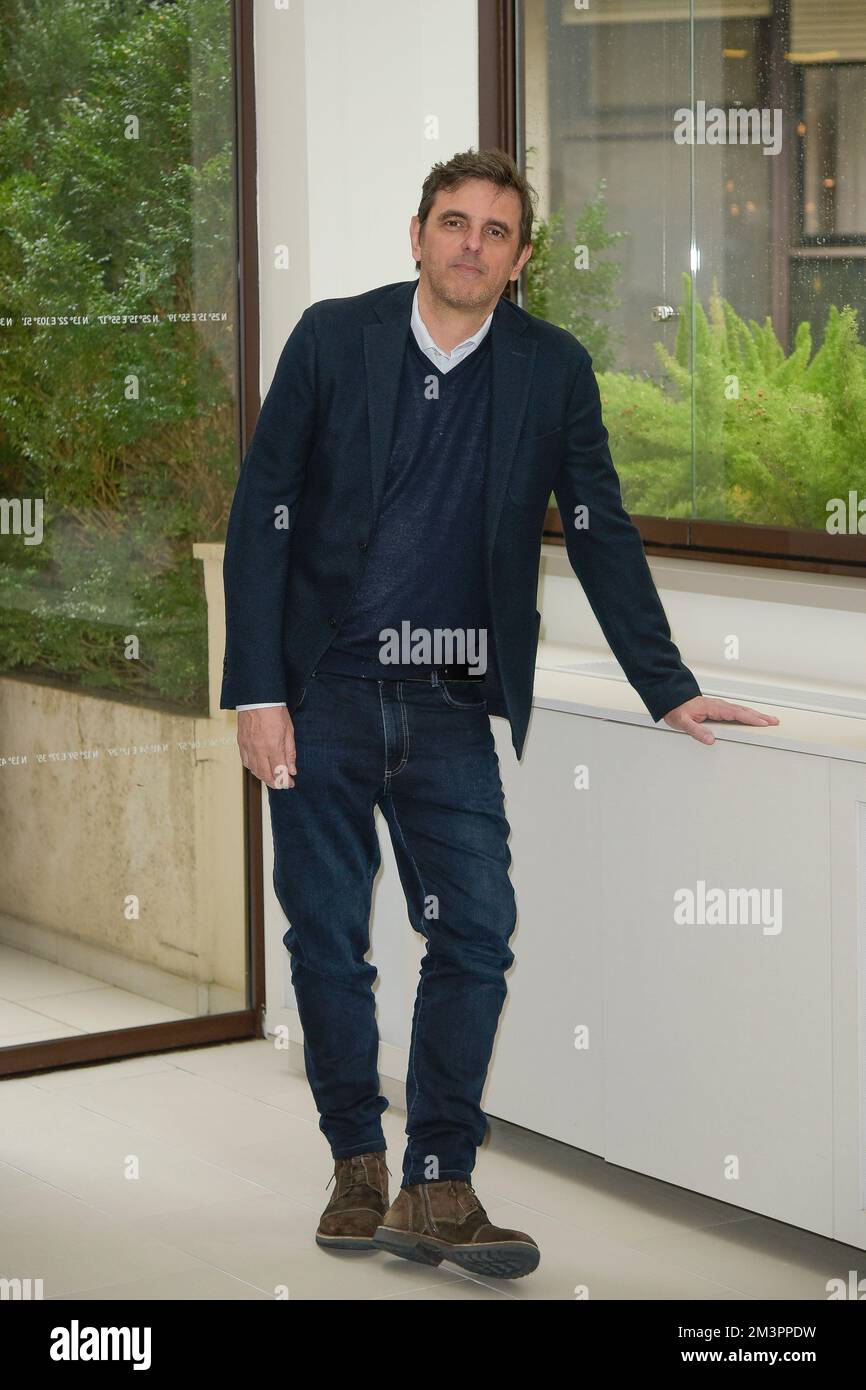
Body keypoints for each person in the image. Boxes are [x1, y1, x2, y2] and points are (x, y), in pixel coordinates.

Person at [221, 148, 779, 1280]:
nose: (470, 244)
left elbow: (597, 526)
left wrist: (663, 682)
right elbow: (261, 507)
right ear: (416, 235)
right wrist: (257, 689)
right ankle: (353, 1163)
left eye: (494, 231)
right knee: (326, 939)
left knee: (473, 931)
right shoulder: (335, 338)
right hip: (320, 689)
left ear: (518, 260)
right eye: (453, 222)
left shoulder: (550, 370)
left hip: (448, 699)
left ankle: (437, 1179)